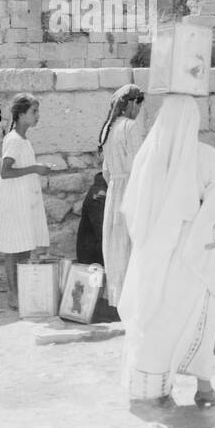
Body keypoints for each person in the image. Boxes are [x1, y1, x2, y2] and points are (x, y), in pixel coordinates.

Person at [121, 95, 215, 407]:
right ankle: (204, 389)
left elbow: (133, 208)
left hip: (156, 252)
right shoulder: (206, 155)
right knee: (198, 317)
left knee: (156, 318)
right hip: (194, 252)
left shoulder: (148, 157)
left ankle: (154, 388)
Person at [0, 93, 52, 309]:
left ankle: (23, 291)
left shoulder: (23, 140)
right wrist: (35, 168)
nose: (37, 116)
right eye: (34, 112)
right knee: (13, 247)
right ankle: (13, 294)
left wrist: (36, 169)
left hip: (23, 201)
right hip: (14, 202)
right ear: (21, 114)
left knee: (25, 245)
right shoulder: (14, 140)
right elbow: (6, 172)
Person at [98, 84, 146, 307]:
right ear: (132, 103)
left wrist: (116, 186)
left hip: (115, 193)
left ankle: (121, 302)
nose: (139, 110)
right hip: (131, 190)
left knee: (117, 247)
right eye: (139, 105)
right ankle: (135, 302)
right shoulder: (130, 126)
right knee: (133, 246)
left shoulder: (109, 128)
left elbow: (106, 171)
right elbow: (139, 165)